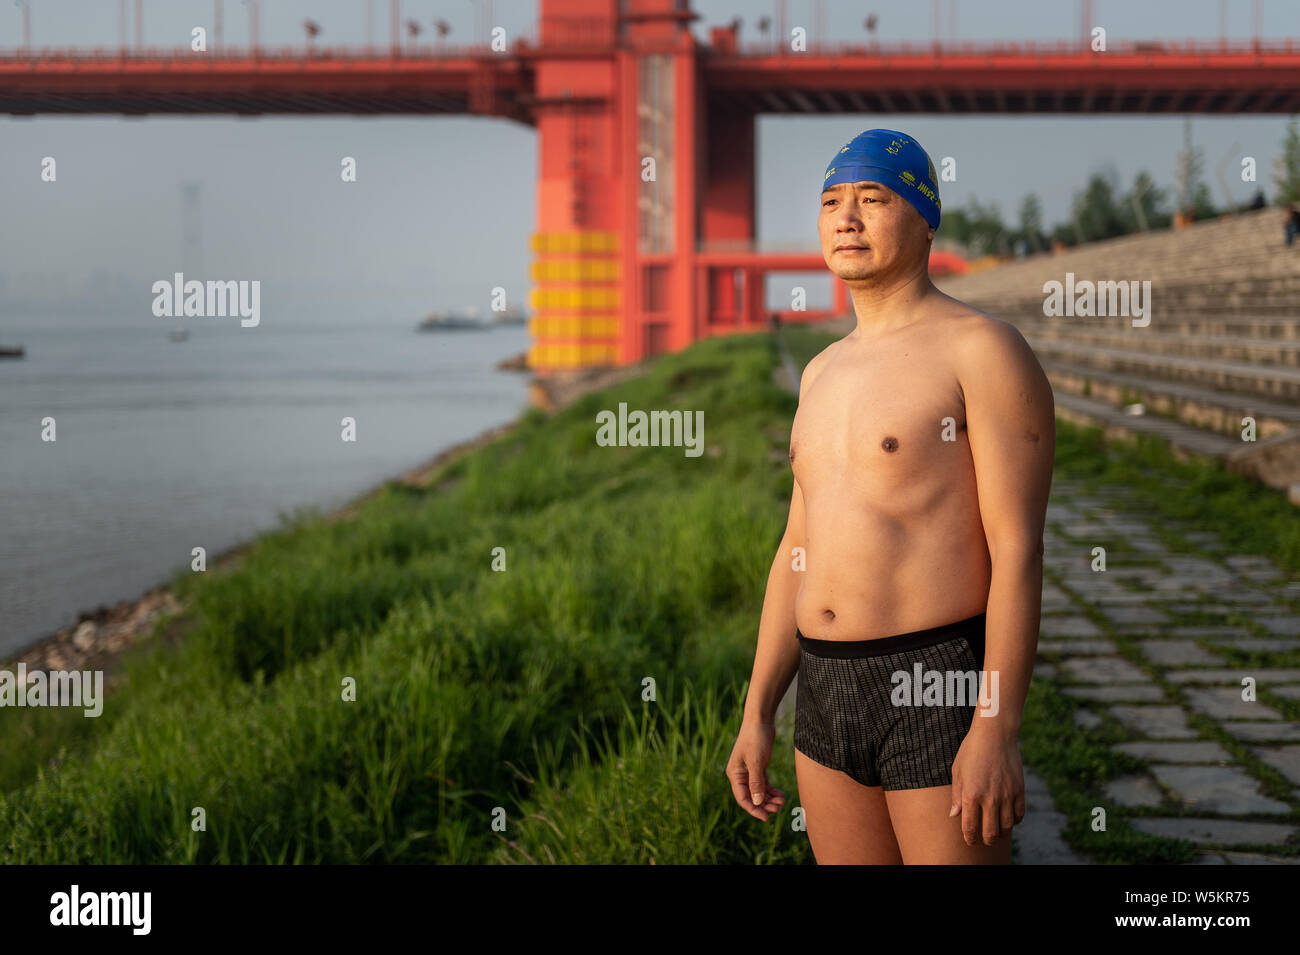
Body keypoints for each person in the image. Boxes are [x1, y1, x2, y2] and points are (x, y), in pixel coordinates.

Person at [725, 128, 1055, 864]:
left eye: (874, 198)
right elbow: (795, 551)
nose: (847, 217)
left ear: (925, 216)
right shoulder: (819, 374)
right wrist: (758, 712)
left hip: (931, 675)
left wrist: (996, 726)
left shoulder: (982, 350)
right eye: (832, 201)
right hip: (824, 685)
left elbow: (1019, 549)